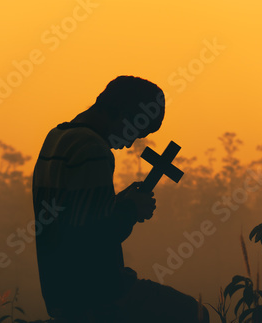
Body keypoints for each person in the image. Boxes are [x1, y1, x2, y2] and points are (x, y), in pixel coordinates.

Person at [32, 76, 207, 322]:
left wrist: (119, 201)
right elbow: (94, 236)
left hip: (58, 290)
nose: (130, 143)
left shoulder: (56, 137)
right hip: (98, 294)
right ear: (123, 113)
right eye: (136, 130)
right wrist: (131, 211)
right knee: (195, 314)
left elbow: (72, 218)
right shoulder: (93, 149)